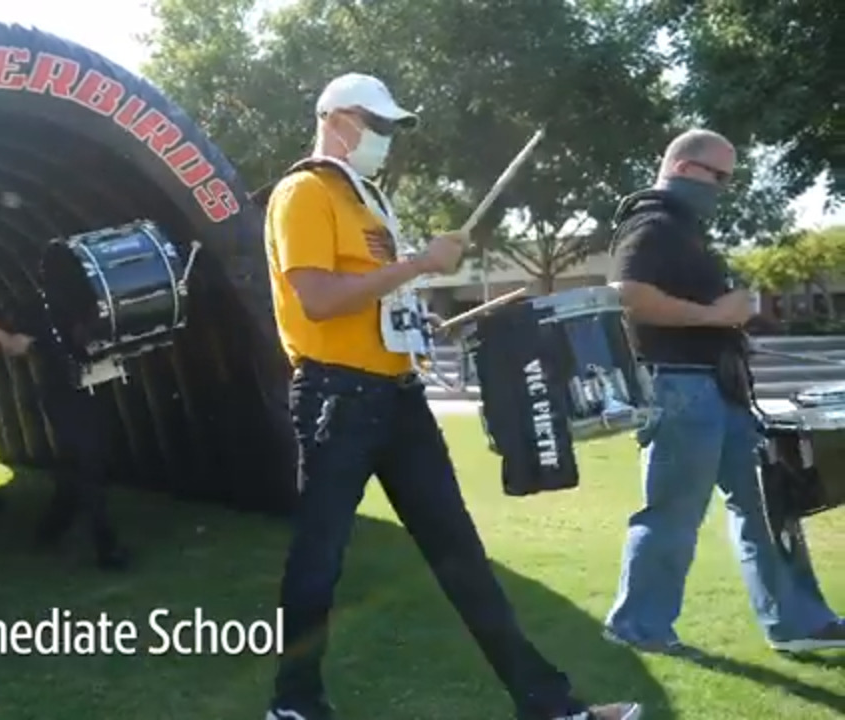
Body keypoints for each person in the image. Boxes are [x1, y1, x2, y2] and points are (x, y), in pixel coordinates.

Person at [262, 72, 639, 720]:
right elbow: (319, 301)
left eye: (389, 128)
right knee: (318, 561)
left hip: (399, 398)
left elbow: (371, 296)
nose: (386, 139)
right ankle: (294, 706)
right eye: (376, 125)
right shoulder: (303, 192)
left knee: (460, 556)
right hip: (336, 399)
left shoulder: (368, 197)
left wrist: (411, 310)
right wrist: (418, 266)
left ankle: (549, 705)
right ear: (338, 120)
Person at [605, 128, 844, 654]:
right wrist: (715, 315)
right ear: (687, 169)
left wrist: (729, 327)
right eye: (721, 177)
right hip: (680, 390)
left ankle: (798, 623)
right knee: (672, 515)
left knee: (770, 507)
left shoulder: (685, 229)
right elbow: (626, 295)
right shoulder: (653, 221)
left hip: (720, 389)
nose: (724, 189)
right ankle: (637, 629)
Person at [0, 307, 130, 571]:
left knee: (78, 469)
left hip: (93, 393)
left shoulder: (96, 304)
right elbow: (16, 347)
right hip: (64, 397)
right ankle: (107, 547)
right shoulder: (44, 313)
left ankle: (50, 530)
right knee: (88, 469)